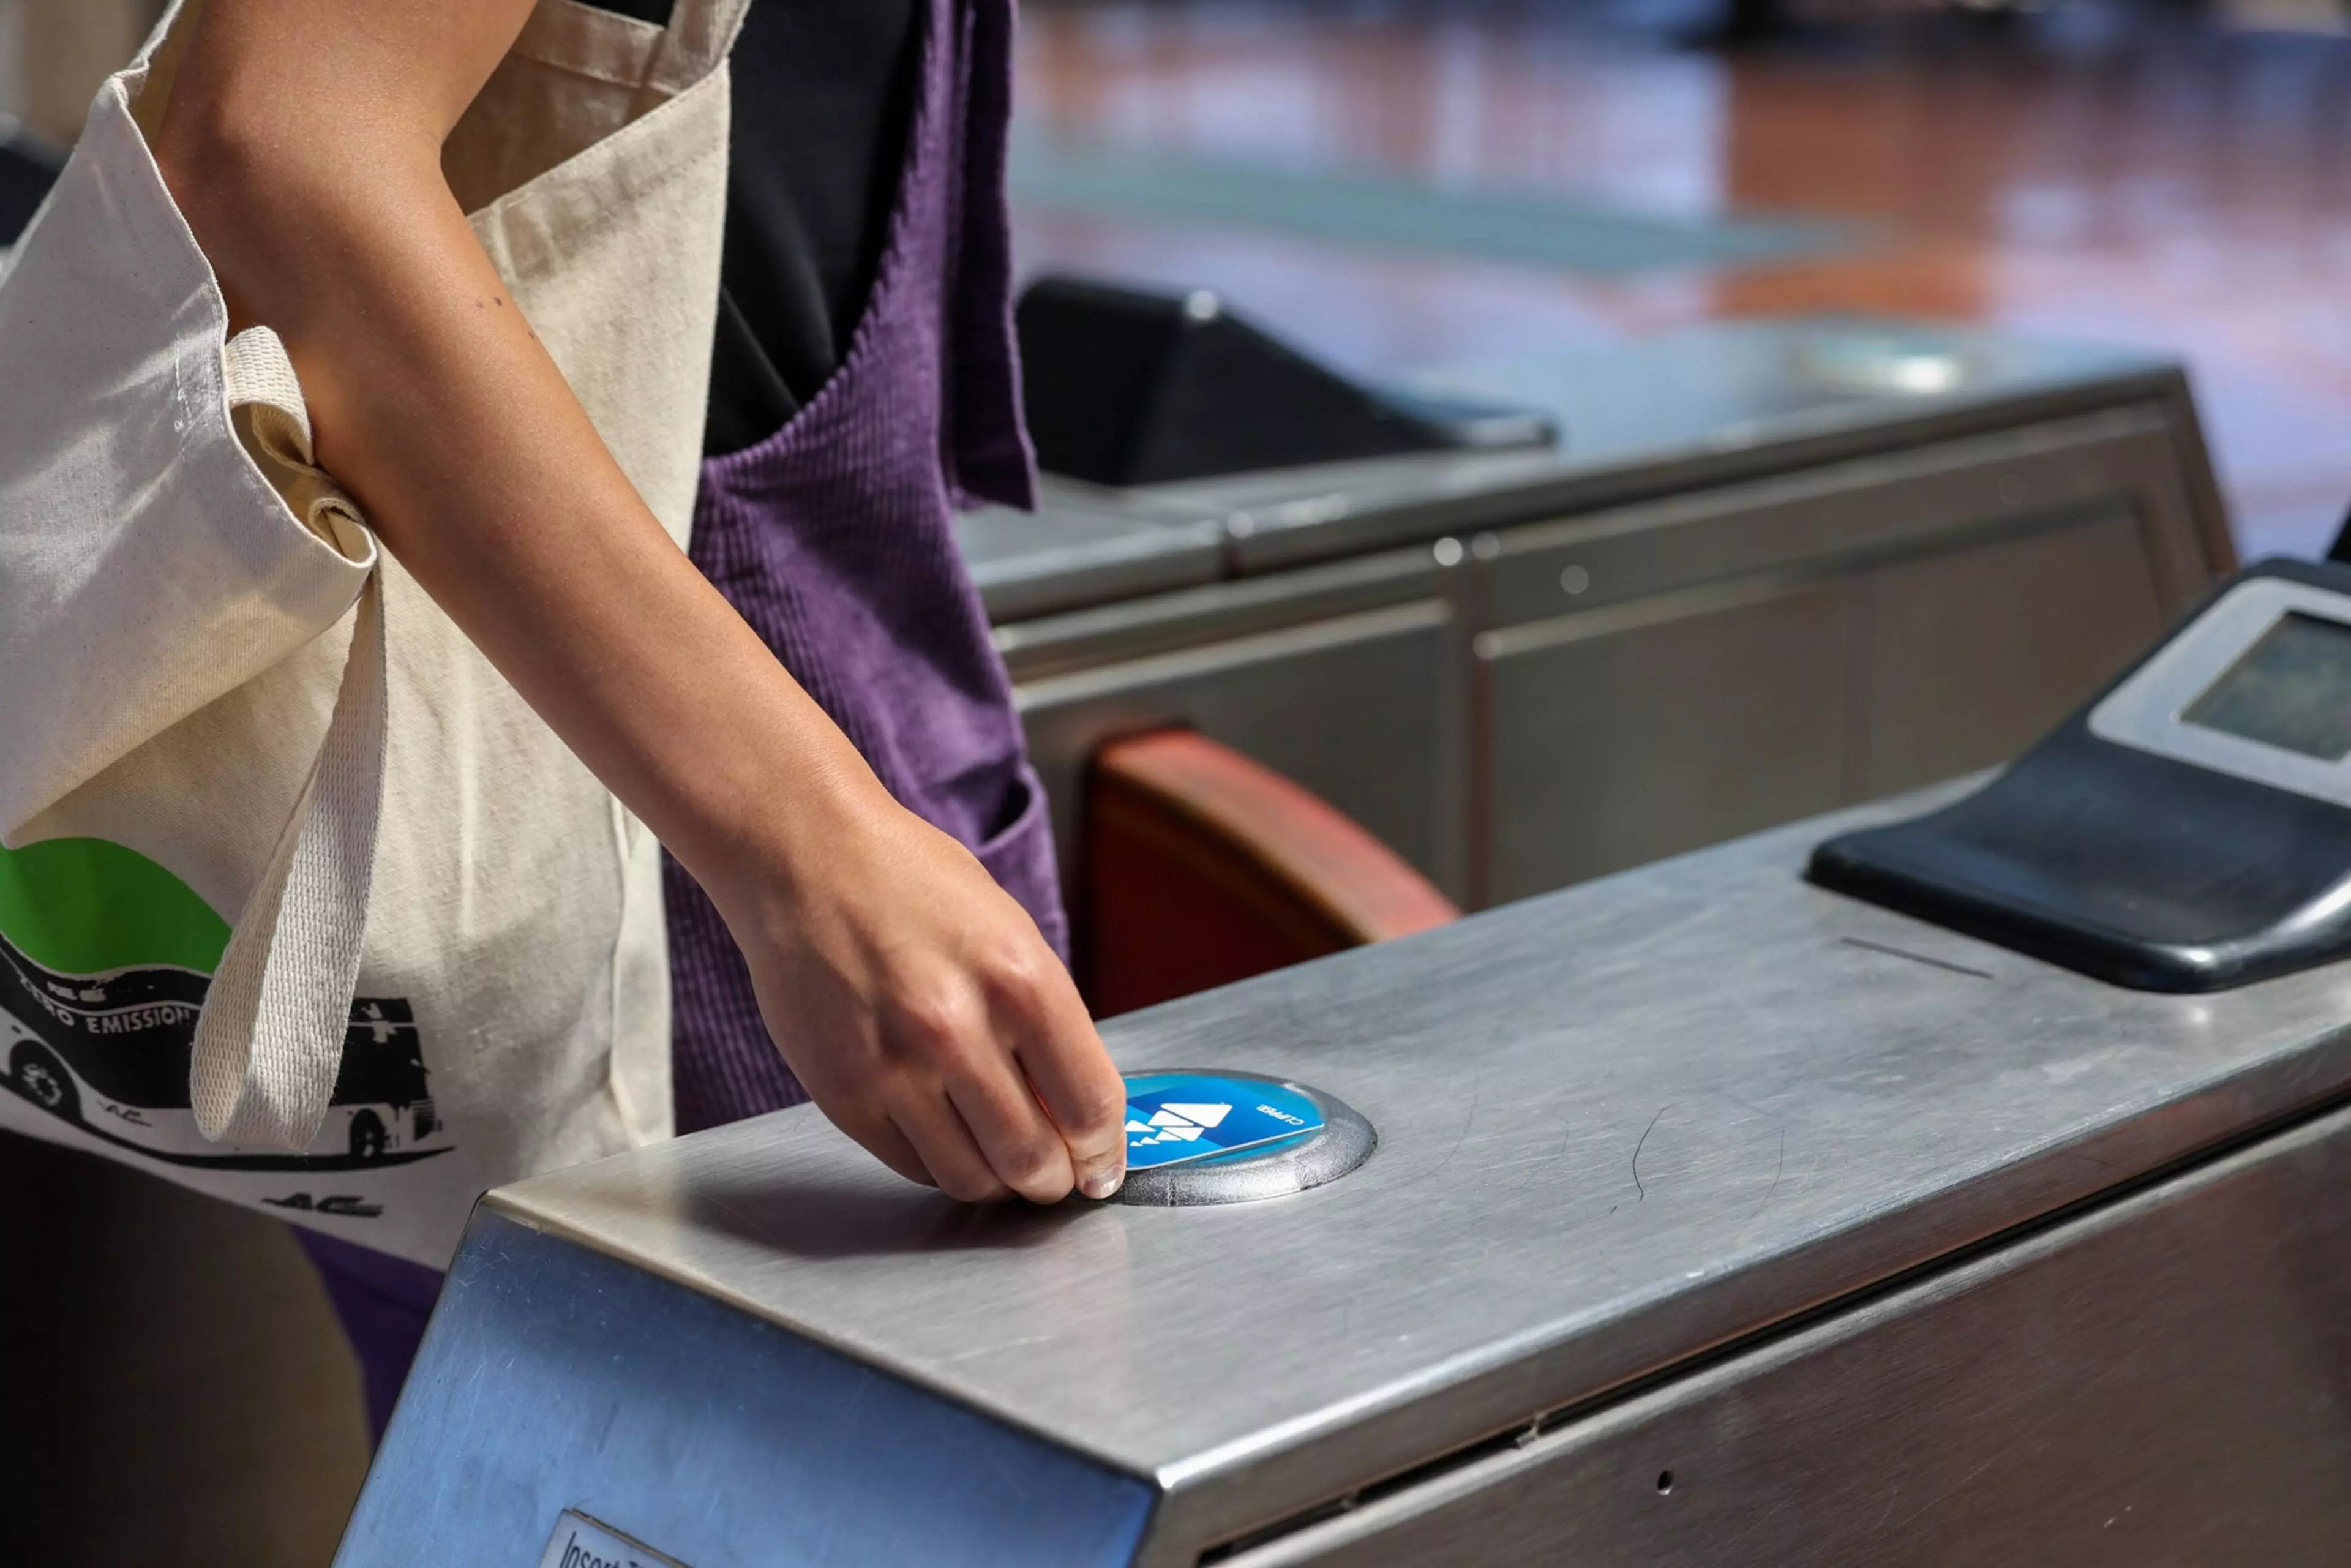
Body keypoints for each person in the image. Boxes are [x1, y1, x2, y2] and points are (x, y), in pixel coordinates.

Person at [150, 0, 1125, 1438]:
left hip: (722, 826)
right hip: (690, 878)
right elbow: (278, 151)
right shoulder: (791, 881)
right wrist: (814, 853)